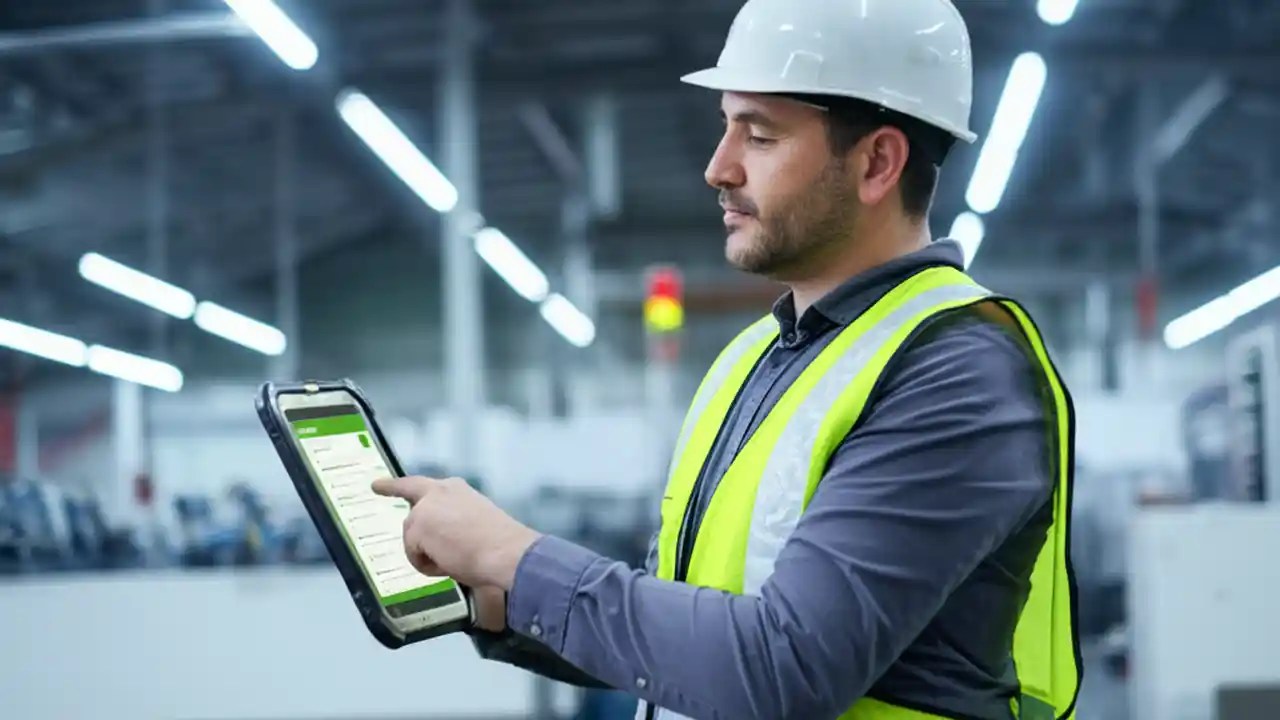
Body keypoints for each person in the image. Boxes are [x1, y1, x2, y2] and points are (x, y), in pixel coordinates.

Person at [371, 0, 1082, 718]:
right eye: (725, 127)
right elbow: (680, 635)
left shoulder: (957, 373)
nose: (718, 168)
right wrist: (491, 597)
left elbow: (784, 667)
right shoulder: (759, 357)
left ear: (876, 163)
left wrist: (516, 556)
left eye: (761, 136)